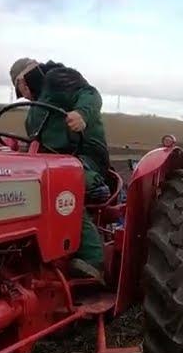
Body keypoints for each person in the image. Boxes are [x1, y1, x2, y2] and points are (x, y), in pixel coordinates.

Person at [8, 57, 110, 281]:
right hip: (56, 165)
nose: (24, 95)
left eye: (20, 87)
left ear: (24, 80)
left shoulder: (57, 77)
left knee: (60, 185)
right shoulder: (33, 114)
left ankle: (93, 260)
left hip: (86, 158)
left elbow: (90, 94)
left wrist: (82, 114)